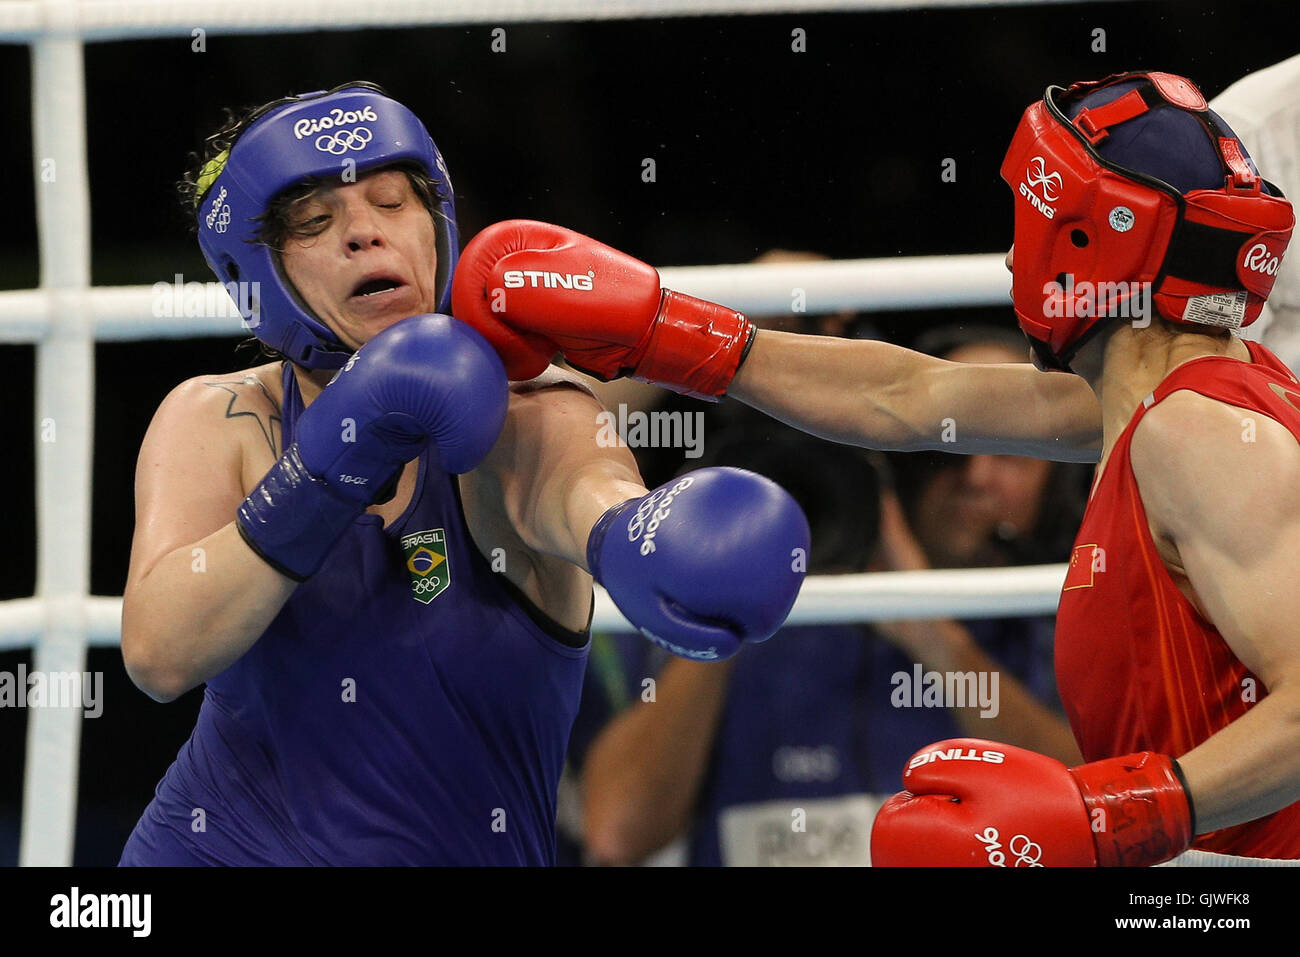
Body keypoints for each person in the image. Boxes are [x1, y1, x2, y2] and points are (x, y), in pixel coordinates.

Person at [450, 71, 1300, 865]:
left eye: (1029, 224)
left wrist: (1112, 812)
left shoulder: (1196, 435)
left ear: (1087, 236)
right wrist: (661, 332)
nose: (1012, 258)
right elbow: (912, 395)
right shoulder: (1147, 399)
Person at [116, 82, 808, 866]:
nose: (365, 235)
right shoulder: (223, 418)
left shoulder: (531, 415)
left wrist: (643, 539)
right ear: (258, 271)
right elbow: (158, 651)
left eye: (392, 202)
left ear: (439, 224)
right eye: (314, 221)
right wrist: (339, 455)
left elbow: (589, 496)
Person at [563, 328, 1082, 867]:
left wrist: (931, 630)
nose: (976, 476)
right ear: (909, 457)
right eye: (955, 448)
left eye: (1009, 452)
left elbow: (1084, 815)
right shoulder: (711, 623)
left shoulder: (1049, 617)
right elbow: (617, 833)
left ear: (1053, 478)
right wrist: (728, 598)